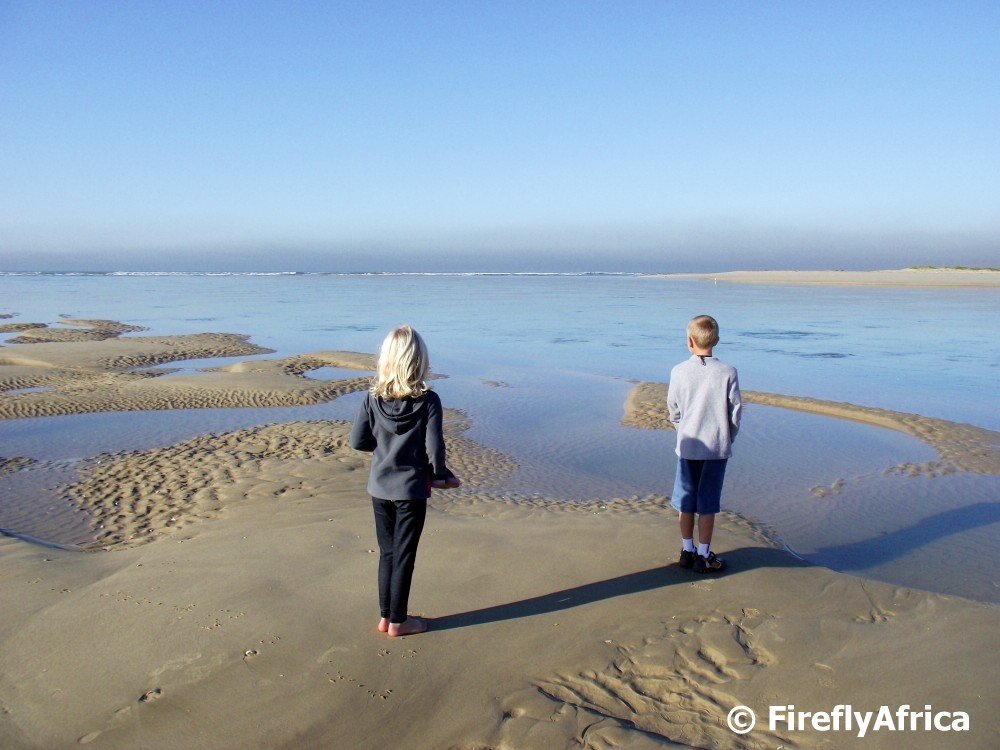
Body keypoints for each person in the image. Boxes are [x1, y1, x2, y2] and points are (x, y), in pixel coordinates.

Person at [349, 325, 457, 637]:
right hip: (411, 491)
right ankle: (399, 621)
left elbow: (358, 441)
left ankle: (386, 617)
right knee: (404, 556)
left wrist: (384, 451)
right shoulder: (428, 400)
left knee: (388, 553)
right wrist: (440, 476)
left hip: (379, 488)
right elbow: (435, 447)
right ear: (419, 361)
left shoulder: (372, 398)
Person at [667, 315, 741, 574]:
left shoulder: (679, 371)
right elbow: (735, 413)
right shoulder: (728, 372)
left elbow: (673, 410)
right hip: (716, 447)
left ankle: (688, 550)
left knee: (686, 501)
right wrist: (726, 437)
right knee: (706, 504)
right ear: (716, 340)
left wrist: (684, 430)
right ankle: (701, 552)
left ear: (689, 341)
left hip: (689, 446)